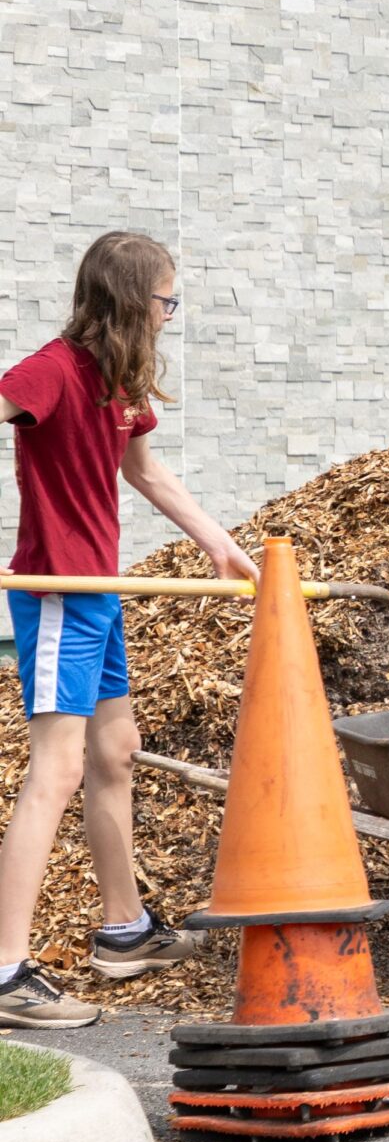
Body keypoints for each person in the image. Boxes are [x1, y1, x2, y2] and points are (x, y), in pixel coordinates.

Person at [0, 232, 259, 1029]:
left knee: (116, 750)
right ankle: (5, 973)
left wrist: (217, 542)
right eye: (167, 301)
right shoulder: (50, 371)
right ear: (130, 299)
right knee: (57, 769)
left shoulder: (120, 379)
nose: (171, 315)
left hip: (101, 592)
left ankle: (125, 930)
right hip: (57, 591)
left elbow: (143, 471)